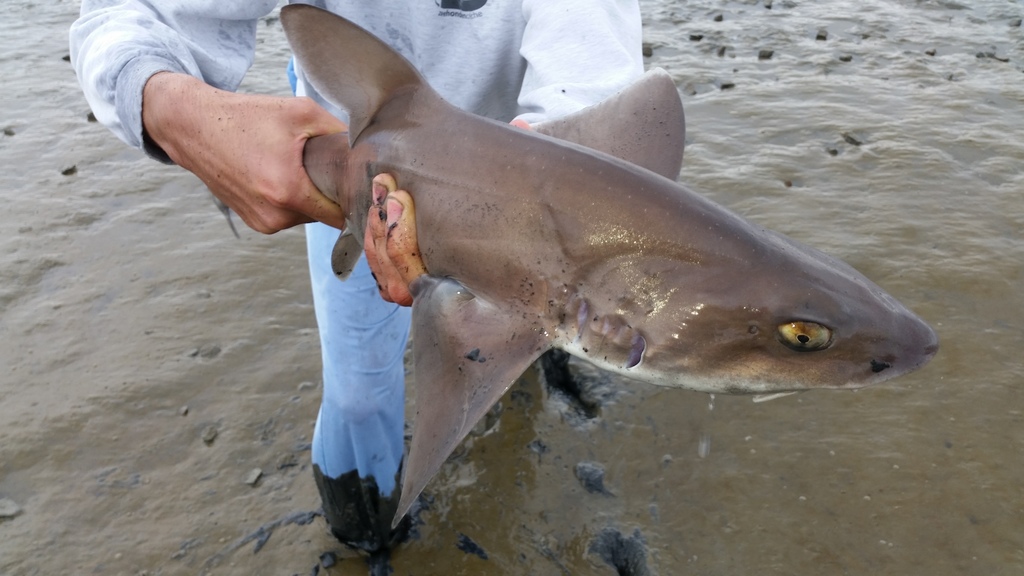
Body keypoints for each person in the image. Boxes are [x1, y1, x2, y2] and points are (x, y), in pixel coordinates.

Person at [70, 0, 644, 555]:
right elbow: (123, 17)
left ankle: (530, 376)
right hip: (363, 159)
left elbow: (599, 85)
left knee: (528, 338)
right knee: (359, 398)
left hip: (529, 162)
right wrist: (181, 114)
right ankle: (365, 534)